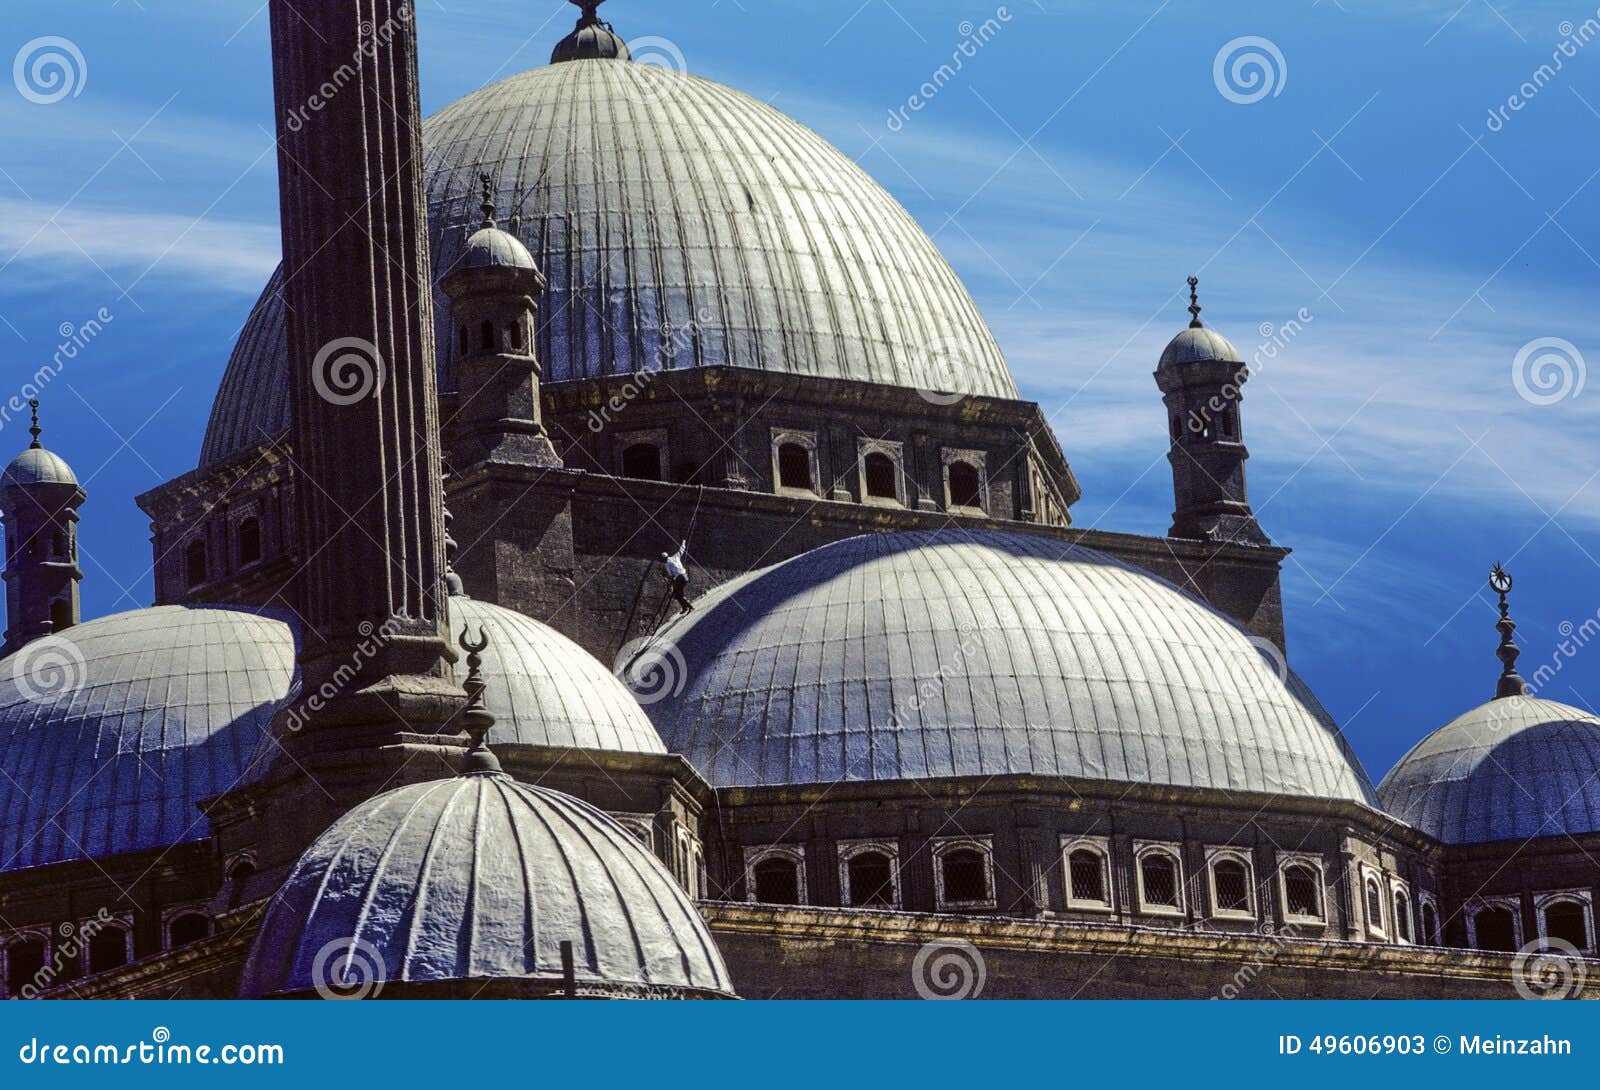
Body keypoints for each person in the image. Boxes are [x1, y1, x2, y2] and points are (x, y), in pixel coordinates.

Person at [662, 540, 693, 615]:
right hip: (685, 576)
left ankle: (689, 607)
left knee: (678, 594)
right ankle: (685, 607)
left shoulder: (667, 564)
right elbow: (681, 550)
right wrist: (684, 542)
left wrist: (666, 576)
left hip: (680, 578)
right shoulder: (675, 556)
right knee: (678, 593)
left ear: (664, 558)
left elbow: (670, 575)